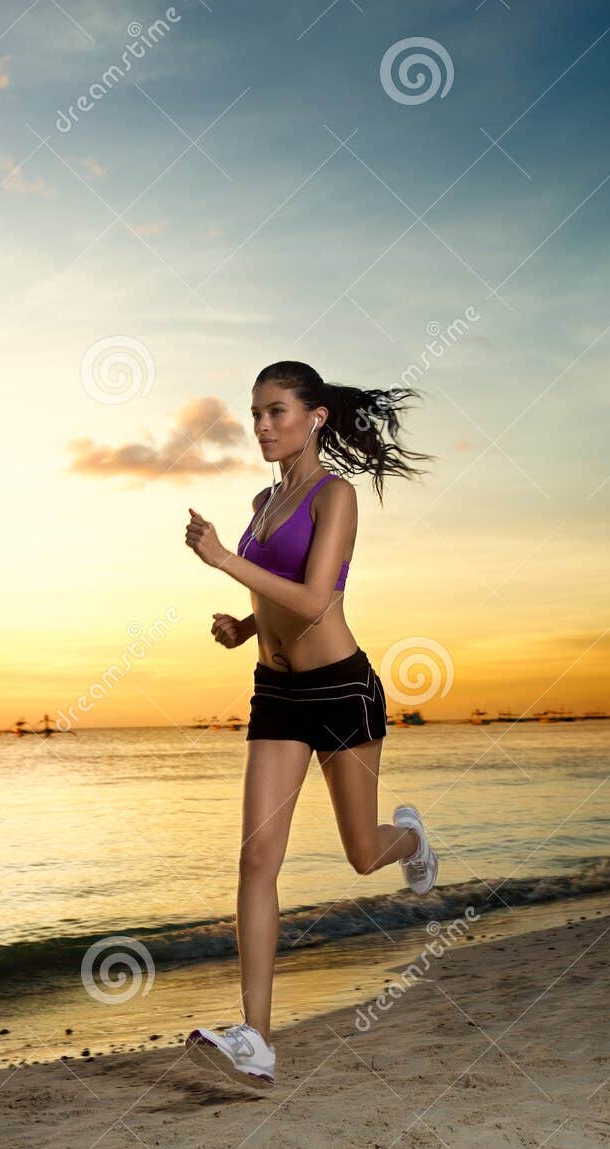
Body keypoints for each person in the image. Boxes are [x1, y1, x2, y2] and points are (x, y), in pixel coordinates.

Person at [182, 359, 439, 1091]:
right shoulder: (262, 500)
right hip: (276, 695)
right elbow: (275, 603)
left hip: (342, 690)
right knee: (256, 861)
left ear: (315, 415)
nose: (261, 426)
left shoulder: (337, 496)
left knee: (363, 854)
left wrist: (223, 561)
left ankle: (411, 837)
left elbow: (316, 599)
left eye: (275, 412)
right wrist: (240, 628)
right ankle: (255, 1039)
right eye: (254, 414)